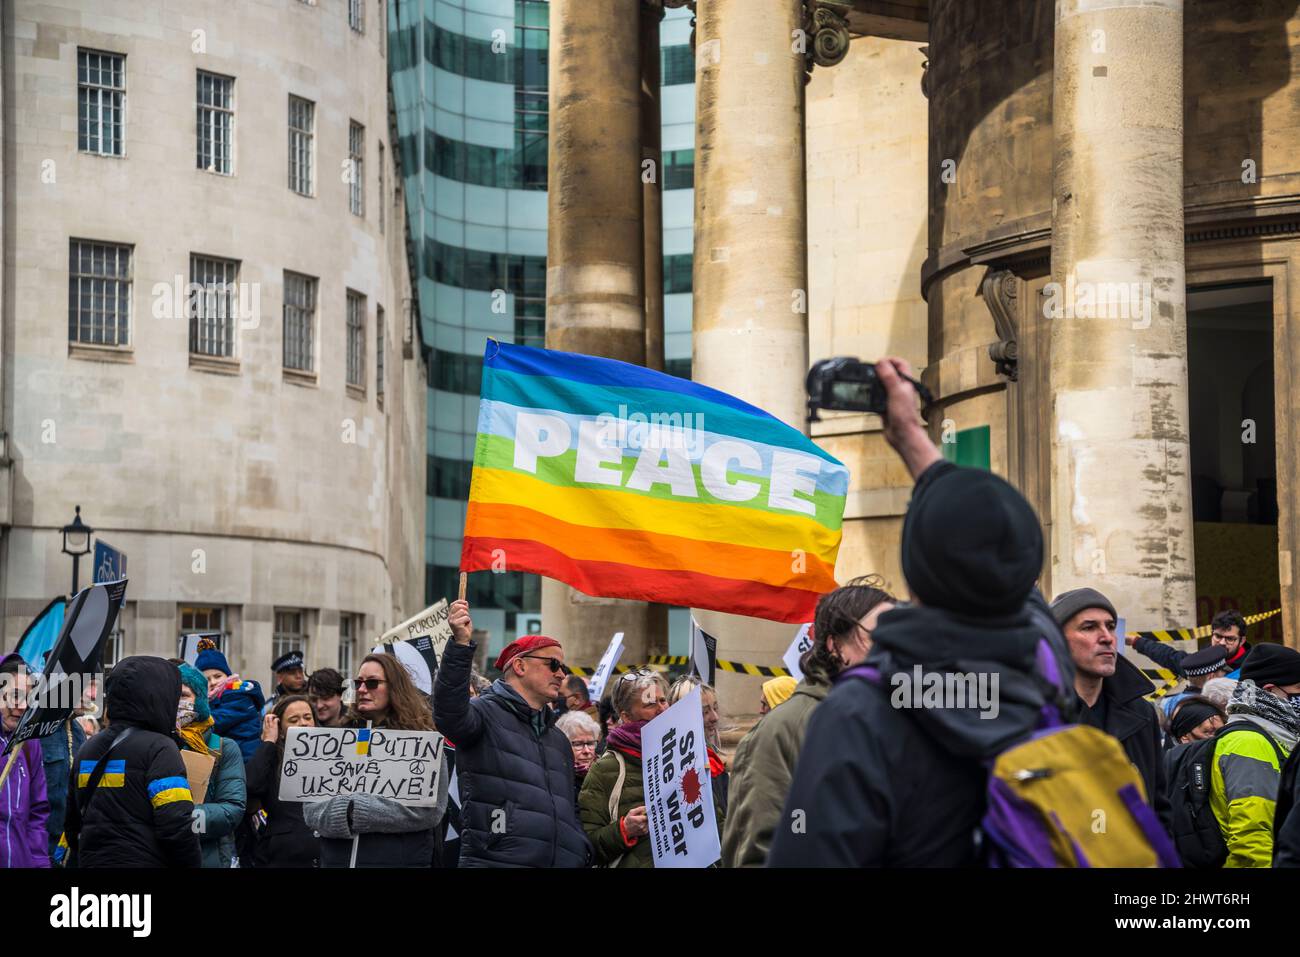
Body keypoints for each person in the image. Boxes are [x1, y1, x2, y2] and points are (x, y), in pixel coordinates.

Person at [769, 357, 1076, 867]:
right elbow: (1002, 561)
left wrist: (908, 434)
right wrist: (914, 438)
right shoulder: (1047, 663)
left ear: (914, 573)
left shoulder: (859, 712)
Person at [724, 580, 894, 868]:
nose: (893, 650)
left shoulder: (899, 719)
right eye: (878, 637)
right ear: (836, 646)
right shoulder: (783, 730)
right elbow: (757, 854)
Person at [433, 600, 590, 868]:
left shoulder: (559, 739)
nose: (561, 674)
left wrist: (579, 848)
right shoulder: (483, 713)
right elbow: (449, 713)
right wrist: (460, 645)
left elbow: (568, 809)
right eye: (553, 664)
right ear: (519, 666)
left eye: (563, 668)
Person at [303, 653, 447, 867]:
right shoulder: (335, 739)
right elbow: (311, 810)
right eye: (358, 683)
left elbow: (430, 811)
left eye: (372, 683)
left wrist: (362, 810)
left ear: (394, 687)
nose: (362, 689)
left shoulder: (422, 741)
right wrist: (344, 811)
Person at [64, 656, 202, 867]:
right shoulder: (161, 748)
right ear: (158, 696)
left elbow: (72, 825)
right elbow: (177, 824)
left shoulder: (87, 749)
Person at [1050, 587, 1170, 828]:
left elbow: (1159, 809)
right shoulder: (1034, 715)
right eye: (1089, 627)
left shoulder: (1142, 714)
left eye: (1111, 626)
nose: (1107, 637)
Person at [1204, 645, 1300, 867]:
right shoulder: (1249, 743)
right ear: (1271, 691)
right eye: (1298, 688)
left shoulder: (1272, 735)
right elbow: (1252, 839)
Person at [578, 670, 671, 867]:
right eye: (650, 704)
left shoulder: (687, 752)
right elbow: (586, 845)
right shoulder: (605, 769)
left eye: (663, 701)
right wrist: (624, 830)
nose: (662, 709)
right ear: (626, 716)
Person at [176, 663, 247, 868]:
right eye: (172, 696)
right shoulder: (154, 743)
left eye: (184, 695)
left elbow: (231, 810)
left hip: (209, 858)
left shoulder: (223, 748)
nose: (177, 703)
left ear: (199, 700)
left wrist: (178, 821)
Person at [245, 694, 320, 867]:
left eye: (307, 717)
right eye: (294, 720)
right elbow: (251, 784)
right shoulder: (272, 760)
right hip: (284, 855)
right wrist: (269, 742)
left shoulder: (332, 759)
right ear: (281, 730)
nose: (303, 723)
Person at [0, 655, 49, 868]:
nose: (21, 706)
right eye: (14, 696)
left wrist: (39, 863)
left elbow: (38, 814)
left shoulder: (29, 744)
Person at [40, 674, 95, 863]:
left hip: (68, 852)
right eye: (87, 685)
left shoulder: (78, 732)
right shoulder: (37, 729)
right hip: (39, 850)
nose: (93, 695)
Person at [667, 676, 730, 816]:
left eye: (715, 708)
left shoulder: (710, 759)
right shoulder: (673, 765)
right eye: (705, 712)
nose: (715, 717)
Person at [198, 642, 266, 761]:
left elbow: (217, 721)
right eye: (206, 679)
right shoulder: (213, 699)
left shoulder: (238, 695)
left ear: (227, 676)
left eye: (217, 676)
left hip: (246, 759)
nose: (213, 682)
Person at [1159, 646, 1231, 724]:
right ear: (1211, 677)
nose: (1224, 677)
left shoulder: (1166, 703)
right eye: (1223, 673)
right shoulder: (1214, 707)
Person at [555, 710, 600, 801]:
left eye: (590, 743)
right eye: (578, 744)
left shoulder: (604, 773)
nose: (587, 751)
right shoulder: (556, 778)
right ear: (562, 745)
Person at [264, 650, 308, 716]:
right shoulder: (272, 705)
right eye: (292, 673)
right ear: (280, 678)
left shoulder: (314, 698)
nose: (298, 676)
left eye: (300, 672)